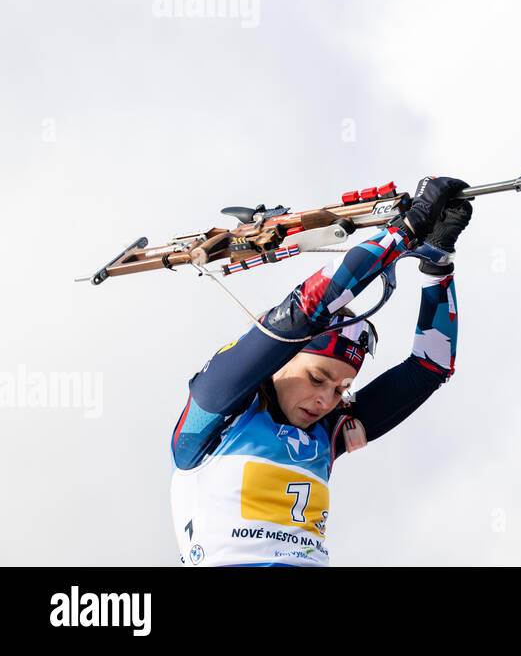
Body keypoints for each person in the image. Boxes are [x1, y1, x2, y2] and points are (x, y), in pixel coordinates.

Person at [168, 176, 472, 566]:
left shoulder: (327, 433)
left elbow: (431, 366)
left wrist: (437, 266)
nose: (325, 400)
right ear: (279, 359)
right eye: (316, 378)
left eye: (341, 389)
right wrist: (403, 232)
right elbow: (306, 309)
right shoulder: (217, 406)